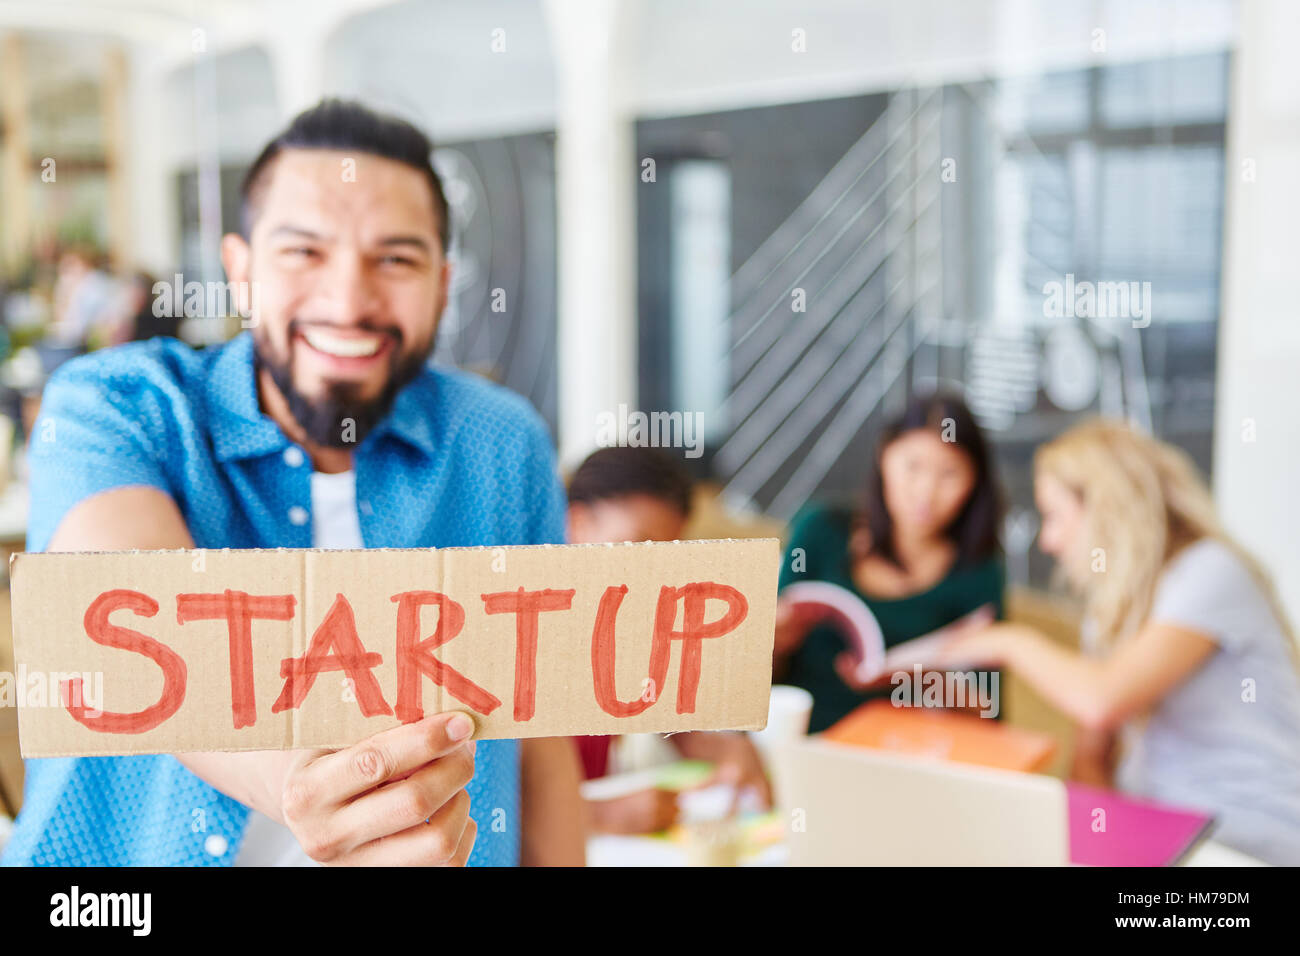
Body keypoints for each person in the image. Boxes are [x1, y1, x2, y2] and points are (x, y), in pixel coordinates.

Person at [0, 100, 584, 868]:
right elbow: (138, 618)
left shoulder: (502, 442)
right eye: (304, 252)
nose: (348, 301)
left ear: (444, 285)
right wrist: (306, 784)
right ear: (240, 271)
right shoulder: (116, 403)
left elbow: (540, 736)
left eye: (397, 260)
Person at [940, 420, 1300, 865]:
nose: (1048, 541)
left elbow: (1102, 699)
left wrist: (1008, 641)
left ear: (1107, 508)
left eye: (1053, 516)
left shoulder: (1209, 572)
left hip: (1243, 842)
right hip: (1162, 832)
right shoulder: (1112, 613)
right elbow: (1092, 756)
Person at [566, 446, 772, 834]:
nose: (652, 576)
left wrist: (729, 747)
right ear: (576, 525)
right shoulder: (515, 626)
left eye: (667, 558)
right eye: (638, 546)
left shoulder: (625, 614)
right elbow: (482, 796)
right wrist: (598, 816)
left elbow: (666, 714)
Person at [774, 393, 1005, 733]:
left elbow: (991, 712)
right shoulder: (819, 531)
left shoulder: (979, 572)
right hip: (803, 740)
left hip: (906, 755)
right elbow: (758, 676)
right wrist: (775, 640)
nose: (926, 491)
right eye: (913, 466)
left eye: (950, 474)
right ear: (884, 456)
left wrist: (930, 682)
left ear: (974, 482)